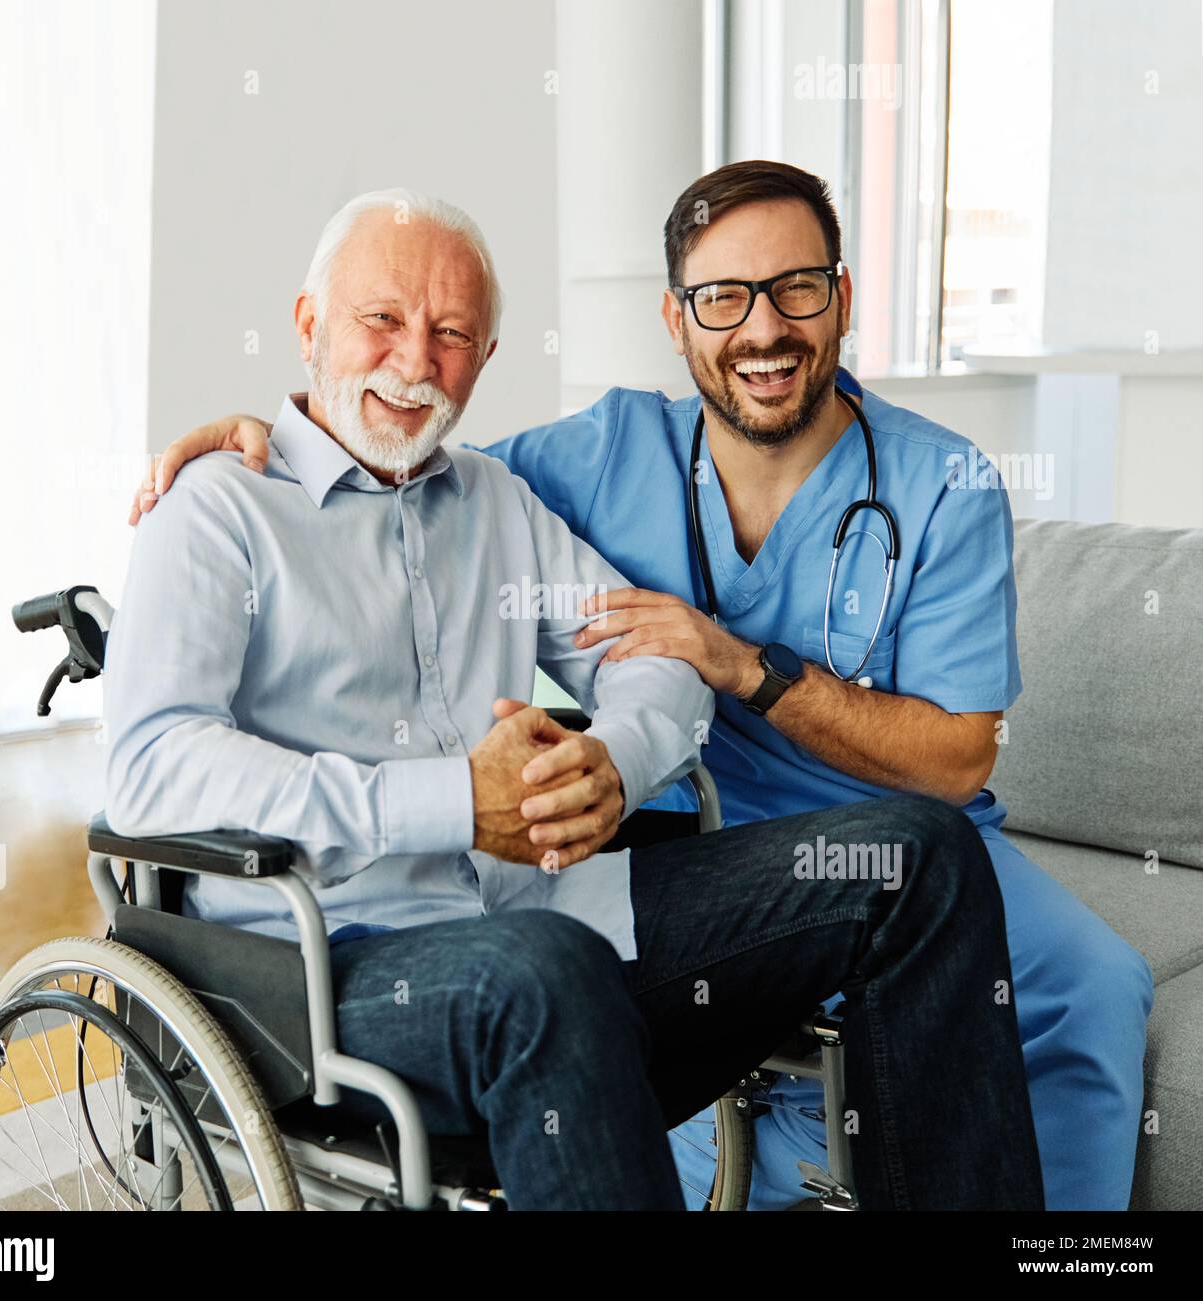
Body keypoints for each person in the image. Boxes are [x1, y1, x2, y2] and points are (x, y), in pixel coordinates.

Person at [113, 184, 1045, 1211]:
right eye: (381, 319)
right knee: (544, 969)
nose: (416, 360)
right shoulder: (216, 511)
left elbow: (651, 654)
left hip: (544, 907)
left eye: (452, 333)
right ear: (307, 323)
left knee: (915, 856)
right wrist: (453, 802)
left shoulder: (498, 500)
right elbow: (152, 766)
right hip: (326, 963)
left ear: (486, 356)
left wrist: (613, 757)